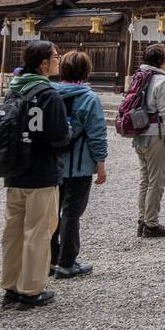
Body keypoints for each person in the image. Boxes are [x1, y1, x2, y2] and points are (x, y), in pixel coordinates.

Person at [0, 41, 69, 310]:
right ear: (43, 63)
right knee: (38, 231)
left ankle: (11, 286)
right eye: (55, 56)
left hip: (14, 171)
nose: (57, 61)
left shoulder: (14, 91)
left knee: (13, 231)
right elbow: (58, 137)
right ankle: (31, 290)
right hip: (41, 172)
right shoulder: (47, 94)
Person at [50, 50, 107, 278]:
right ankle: (67, 261)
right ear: (86, 71)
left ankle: (50, 259)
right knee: (72, 213)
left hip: (53, 164)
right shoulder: (89, 98)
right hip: (79, 165)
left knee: (52, 212)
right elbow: (97, 133)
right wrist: (101, 164)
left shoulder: (50, 95)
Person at [132, 44, 165, 238]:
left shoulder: (141, 76)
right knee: (156, 181)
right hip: (155, 134)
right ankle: (151, 224)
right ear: (161, 60)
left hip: (139, 133)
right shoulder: (162, 80)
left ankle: (142, 220)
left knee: (145, 180)